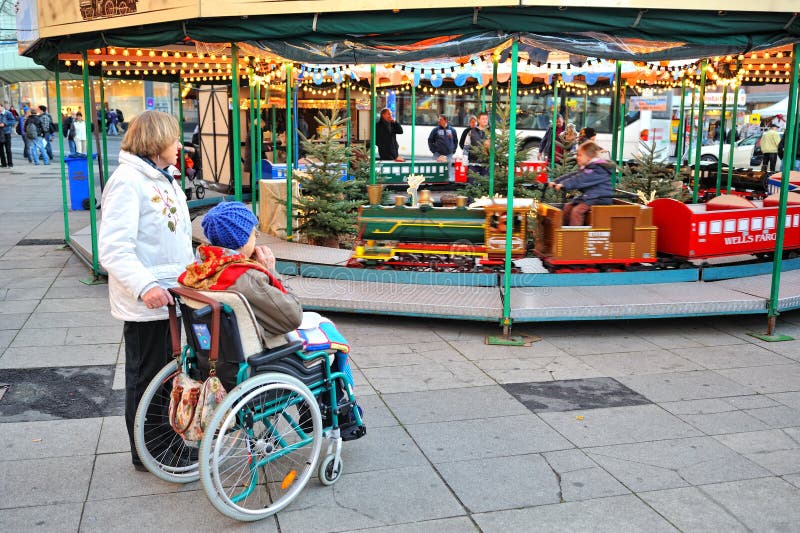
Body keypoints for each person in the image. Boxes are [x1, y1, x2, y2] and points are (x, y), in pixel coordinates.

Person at [98, 110, 193, 472]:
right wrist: (145, 285)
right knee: (146, 376)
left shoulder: (162, 178)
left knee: (166, 376)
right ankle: (148, 451)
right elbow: (114, 248)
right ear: (156, 143)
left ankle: (163, 443)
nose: (179, 144)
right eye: (173, 139)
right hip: (148, 300)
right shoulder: (127, 181)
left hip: (171, 296)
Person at [180, 202, 303, 349]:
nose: (256, 238)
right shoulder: (249, 278)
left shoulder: (197, 271)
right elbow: (293, 317)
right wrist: (271, 271)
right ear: (243, 241)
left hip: (212, 353)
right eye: (254, 234)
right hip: (259, 358)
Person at [548, 141, 614, 226]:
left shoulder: (597, 170)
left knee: (577, 211)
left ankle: (575, 236)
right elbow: (574, 175)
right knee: (568, 207)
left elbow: (580, 179)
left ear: (589, 157)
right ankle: (564, 231)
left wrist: (564, 184)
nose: (577, 157)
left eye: (580, 155)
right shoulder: (588, 168)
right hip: (591, 197)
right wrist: (557, 181)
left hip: (600, 198)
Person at [427, 114, 457, 180]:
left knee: (447, 171)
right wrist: (433, 150)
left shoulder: (452, 130)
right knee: (434, 169)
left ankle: (446, 182)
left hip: (448, 154)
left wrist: (453, 150)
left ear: (445, 120)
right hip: (437, 154)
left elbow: (455, 140)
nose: (439, 120)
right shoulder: (435, 130)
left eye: (441, 119)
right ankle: (434, 182)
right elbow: (430, 140)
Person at [0, 103, 14, 168]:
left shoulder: (8, 113)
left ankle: (10, 164)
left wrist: (5, 124)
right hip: (0, 133)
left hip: (6, 133)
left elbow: (13, 121)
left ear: (2, 106)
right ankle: (4, 164)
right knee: (1, 150)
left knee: (8, 149)